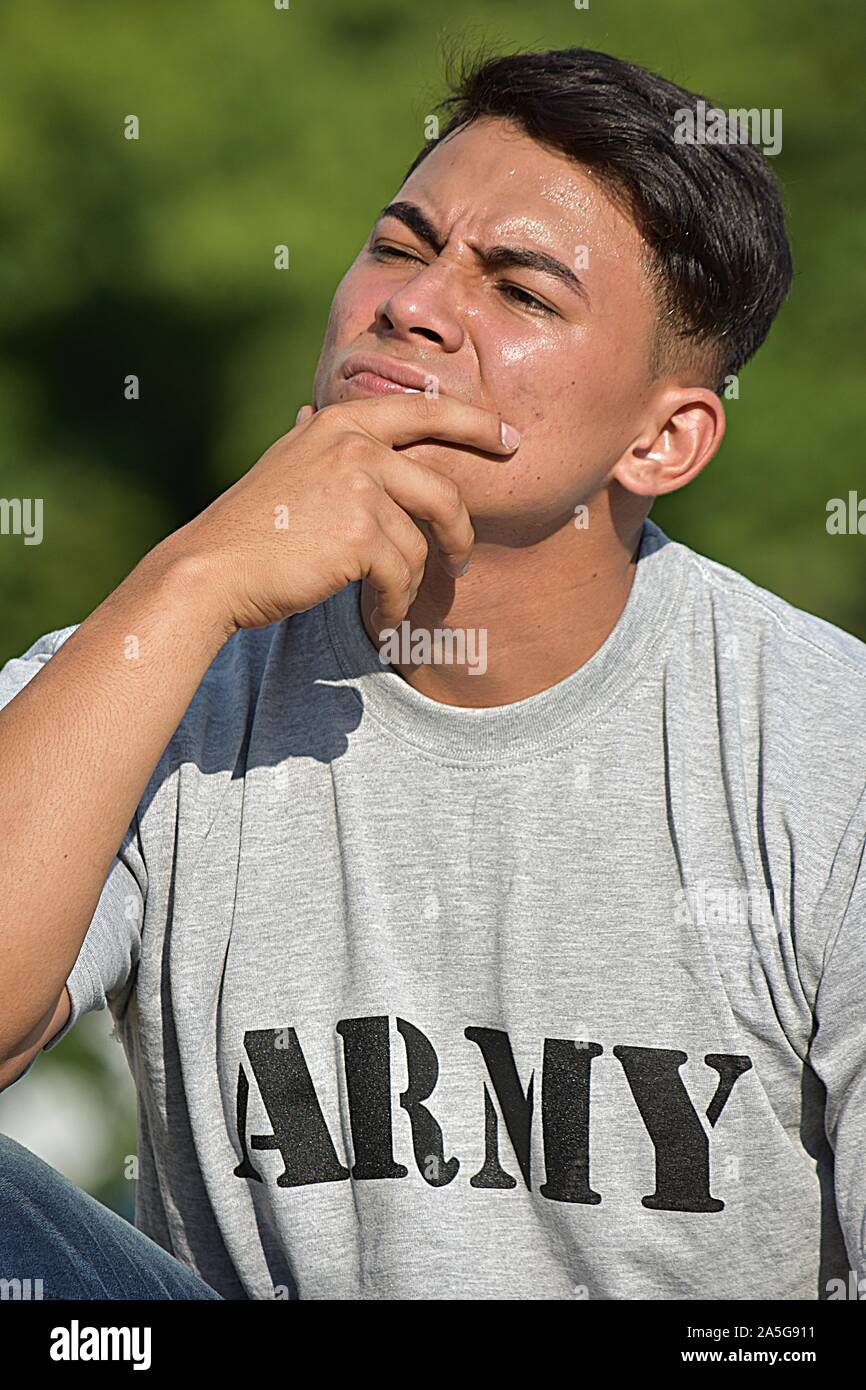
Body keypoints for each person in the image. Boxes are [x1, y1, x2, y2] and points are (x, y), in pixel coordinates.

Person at [0, 44, 863, 1302]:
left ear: (663, 437)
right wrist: (187, 583)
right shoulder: (165, 670)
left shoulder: (822, 749)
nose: (413, 304)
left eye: (519, 292)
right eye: (401, 248)